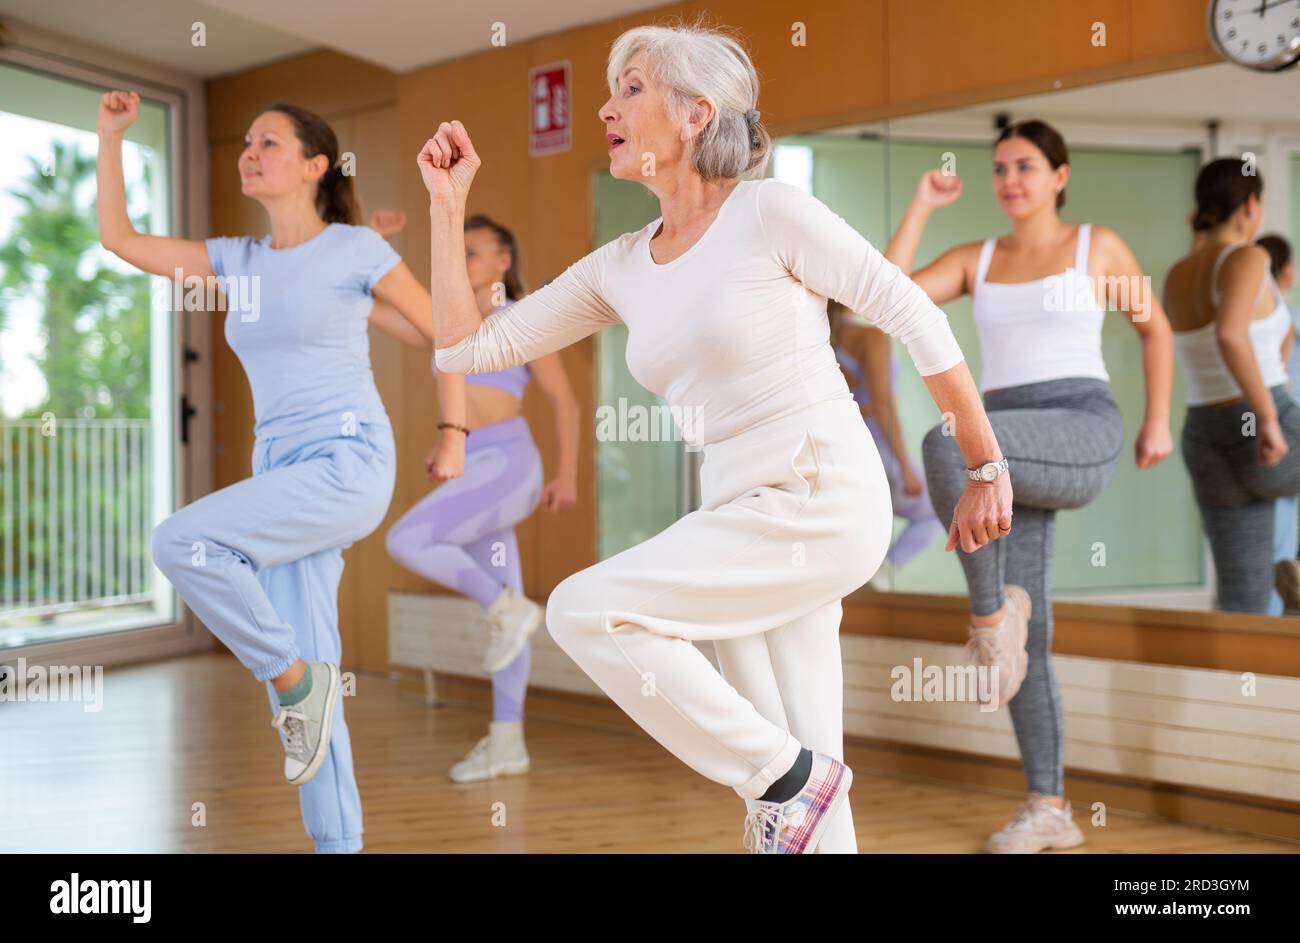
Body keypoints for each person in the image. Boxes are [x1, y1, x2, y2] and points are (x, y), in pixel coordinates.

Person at [418, 23, 1014, 854]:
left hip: (818, 491)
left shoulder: (769, 212)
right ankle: (797, 782)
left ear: (697, 113)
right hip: (734, 502)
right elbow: (465, 346)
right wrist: (447, 211)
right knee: (804, 759)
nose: (605, 107)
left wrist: (985, 461)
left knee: (585, 609)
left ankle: (781, 776)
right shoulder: (620, 265)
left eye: (630, 87)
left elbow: (906, 309)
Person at [97, 91, 462, 853]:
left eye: (269, 142)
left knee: (181, 543)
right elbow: (121, 239)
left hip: (346, 457)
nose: (250, 152)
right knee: (311, 668)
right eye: (247, 143)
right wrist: (111, 137)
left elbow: (449, 333)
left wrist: (453, 431)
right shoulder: (239, 261)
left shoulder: (356, 250)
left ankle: (294, 681)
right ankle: (338, 838)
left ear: (314, 166)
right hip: (281, 469)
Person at [885, 119, 1174, 852]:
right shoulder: (977, 258)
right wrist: (920, 207)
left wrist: (1158, 422)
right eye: (1001, 168)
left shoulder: (1095, 247)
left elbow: (1156, 328)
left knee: (947, 437)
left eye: (1027, 166)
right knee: (1033, 635)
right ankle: (1049, 806)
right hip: (1003, 447)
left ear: (1060, 175)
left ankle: (987, 623)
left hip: (1076, 425)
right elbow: (884, 301)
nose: (1011, 179)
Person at [385, 213, 581, 781]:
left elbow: (565, 402)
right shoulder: (444, 322)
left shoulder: (522, 318)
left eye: (474, 251)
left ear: (503, 262)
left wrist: (565, 476)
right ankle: (507, 742)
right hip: (472, 466)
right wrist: (363, 249)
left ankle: (507, 609)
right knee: (507, 607)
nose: (462, 259)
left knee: (409, 539)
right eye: (458, 251)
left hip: (507, 463)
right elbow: (376, 310)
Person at [1166, 161, 1300, 614]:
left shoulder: (1178, 273)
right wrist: (1266, 418)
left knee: (1242, 597)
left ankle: (1243, 683)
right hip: (1263, 422)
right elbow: (1229, 333)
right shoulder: (1249, 257)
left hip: (1205, 436)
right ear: (1251, 205)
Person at [828, 300, 944, 577]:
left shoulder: (820, 341)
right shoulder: (870, 336)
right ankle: (884, 571)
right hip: (877, 446)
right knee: (938, 510)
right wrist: (905, 467)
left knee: (861, 518)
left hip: (840, 445)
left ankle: (861, 577)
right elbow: (882, 405)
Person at [1258, 234, 1300, 611]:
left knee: (1274, 524)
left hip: (1261, 426)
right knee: (1282, 523)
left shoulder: (1253, 318)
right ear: (1286, 271)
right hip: (1285, 426)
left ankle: (1274, 600)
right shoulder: (1285, 318)